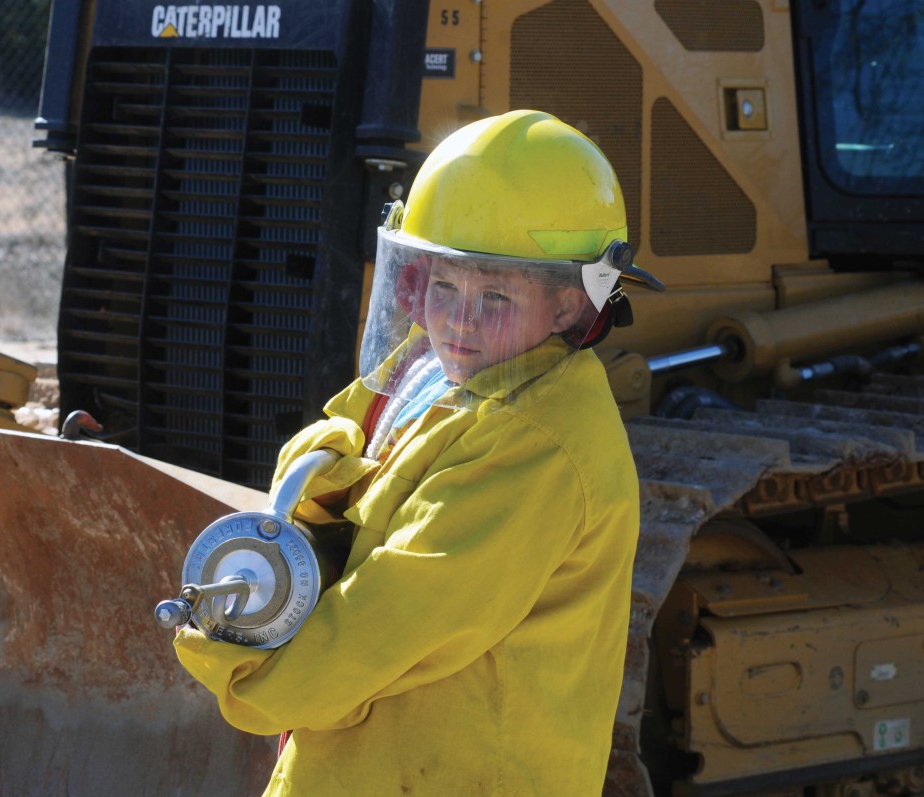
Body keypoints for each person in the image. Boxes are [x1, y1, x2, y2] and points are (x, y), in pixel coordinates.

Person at [173, 109, 661, 796]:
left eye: (495, 293)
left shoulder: (538, 446)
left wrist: (227, 652)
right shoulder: (449, 370)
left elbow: (380, 625)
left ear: (569, 305)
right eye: (443, 285)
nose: (458, 319)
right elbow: (346, 437)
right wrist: (330, 466)